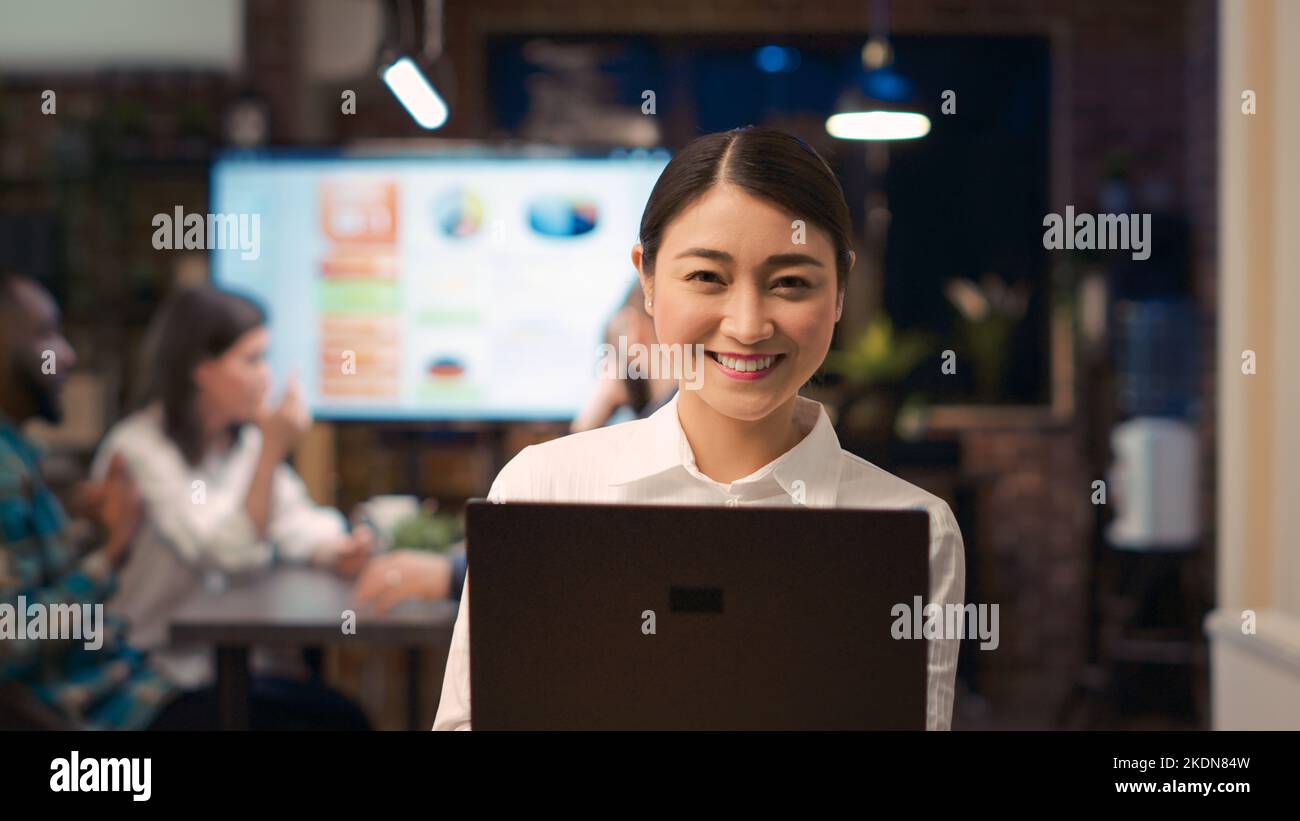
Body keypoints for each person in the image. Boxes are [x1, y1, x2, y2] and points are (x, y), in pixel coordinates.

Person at [434, 126, 966, 731]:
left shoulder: (911, 529)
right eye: (707, 278)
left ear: (840, 287)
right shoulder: (542, 490)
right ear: (648, 279)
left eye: (790, 282)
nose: (747, 325)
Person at [90, 286, 371, 729]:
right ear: (201, 369)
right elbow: (229, 551)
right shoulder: (138, 449)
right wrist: (274, 447)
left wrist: (336, 548)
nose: (266, 377)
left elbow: (294, 520)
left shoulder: (242, 444)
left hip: (242, 667)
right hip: (162, 673)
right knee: (338, 721)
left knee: (341, 713)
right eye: (252, 360)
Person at [0, 270, 174, 730]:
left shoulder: (17, 452)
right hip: (94, 713)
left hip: (118, 687)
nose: (68, 355)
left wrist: (91, 535)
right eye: (46, 335)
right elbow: (10, 640)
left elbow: (28, 592)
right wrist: (112, 553)